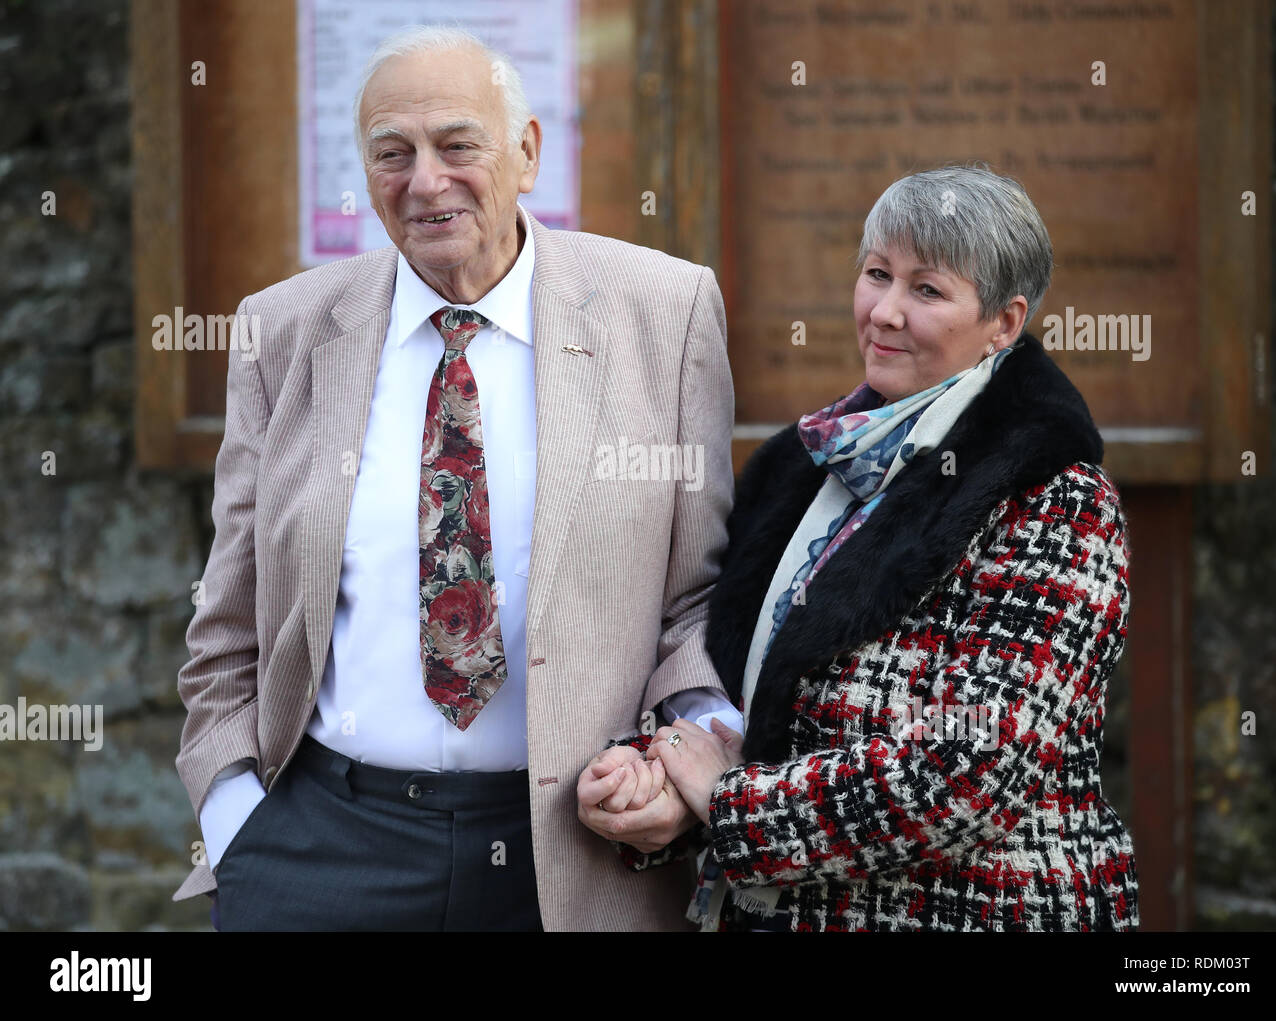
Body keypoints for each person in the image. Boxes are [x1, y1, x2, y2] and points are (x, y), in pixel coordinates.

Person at [172, 24, 737, 931]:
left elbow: (699, 598)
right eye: (391, 153)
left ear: (526, 152)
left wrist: (683, 765)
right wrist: (235, 819)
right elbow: (230, 612)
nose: (425, 181)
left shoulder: (662, 314)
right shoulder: (284, 331)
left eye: (457, 144)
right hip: (322, 851)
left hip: (578, 854)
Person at [602, 165, 1139, 931]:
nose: (884, 312)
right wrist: (651, 776)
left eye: (927, 290)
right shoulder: (807, 464)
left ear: (1005, 323)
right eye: (877, 274)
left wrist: (726, 805)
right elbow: (743, 697)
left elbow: (971, 769)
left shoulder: (1054, 498)